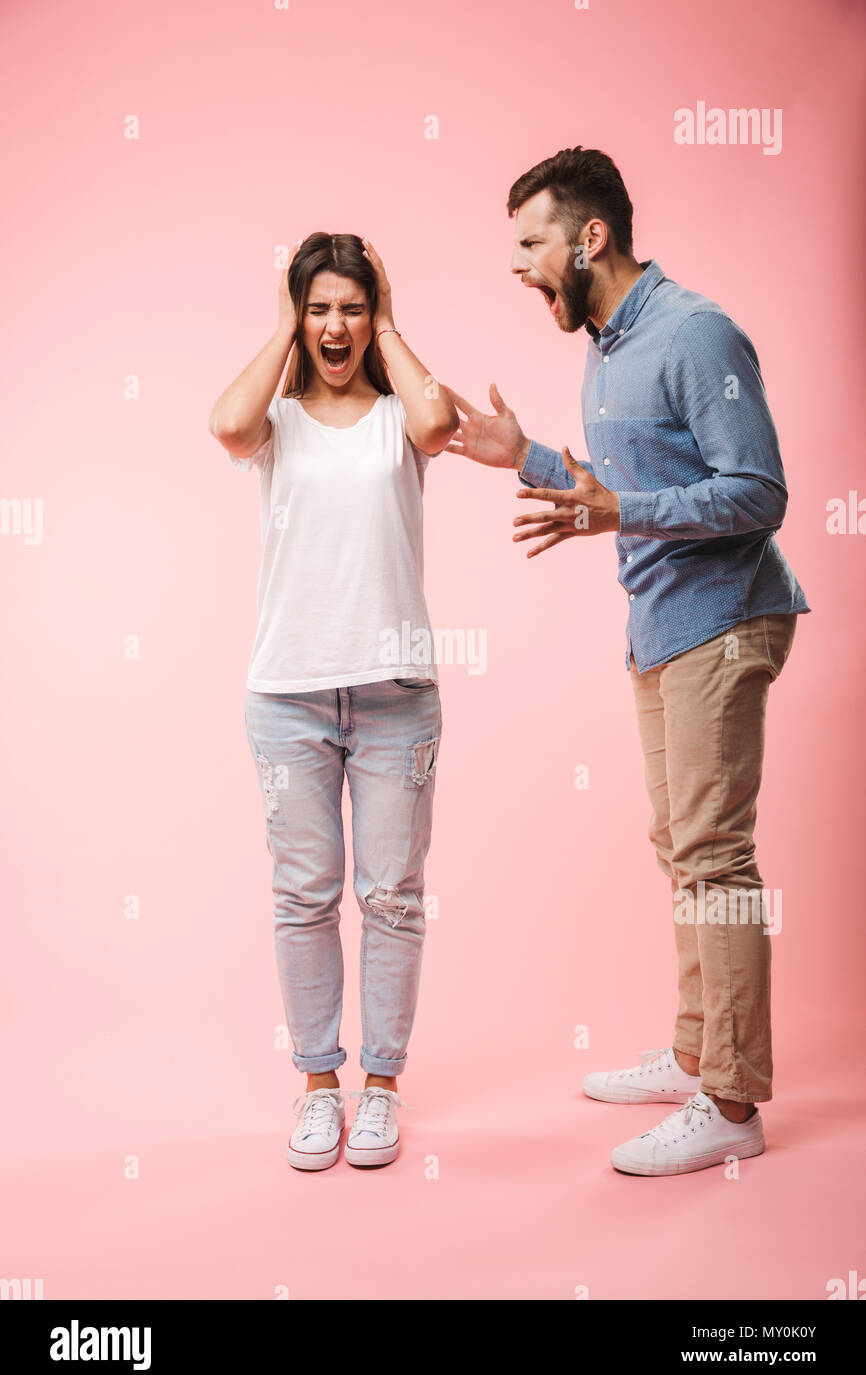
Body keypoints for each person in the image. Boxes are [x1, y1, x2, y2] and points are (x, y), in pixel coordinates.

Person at [443, 146, 809, 1176]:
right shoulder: (606, 342)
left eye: (530, 242)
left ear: (587, 237)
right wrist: (523, 455)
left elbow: (757, 491)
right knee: (678, 844)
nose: (516, 265)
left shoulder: (693, 332)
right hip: (659, 622)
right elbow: (620, 487)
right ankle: (696, 1051)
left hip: (723, 616)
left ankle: (730, 1102)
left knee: (713, 857)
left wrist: (622, 509)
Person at [208, 233, 457, 1170]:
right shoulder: (278, 425)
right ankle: (319, 1087)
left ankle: (382, 1088)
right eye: (320, 308)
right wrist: (279, 322)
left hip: (398, 700)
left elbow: (440, 422)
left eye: (351, 307)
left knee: (391, 899)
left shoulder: (402, 423)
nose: (335, 325)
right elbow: (227, 426)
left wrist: (392, 319)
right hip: (288, 698)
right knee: (303, 898)